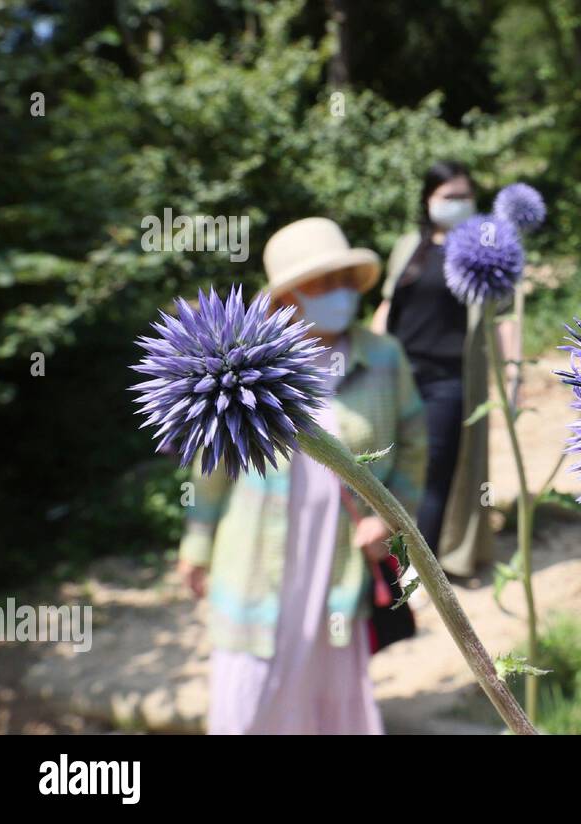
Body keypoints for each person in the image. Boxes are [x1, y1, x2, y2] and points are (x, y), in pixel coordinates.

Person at [178, 217, 427, 734]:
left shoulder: (383, 355)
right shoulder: (243, 361)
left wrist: (391, 520)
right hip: (258, 553)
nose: (337, 293)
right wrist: (197, 541)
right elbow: (213, 463)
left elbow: (416, 443)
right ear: (288, 296)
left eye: (342, 280)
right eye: (320, 282)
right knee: (252, 684)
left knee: (328, 674)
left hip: (339, 553)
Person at [372, 160, 505, 579]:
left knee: (431, 474)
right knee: (389, 466)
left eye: (465, 196)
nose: (458, 204)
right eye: (449, 197)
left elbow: (500, 320)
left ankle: (415, 570)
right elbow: (391, 305)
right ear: (428, 200)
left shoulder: (484, 249)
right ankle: (386, 558)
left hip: (449, 379)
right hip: (398, 373)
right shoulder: (410, 244)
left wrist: (510, 379)